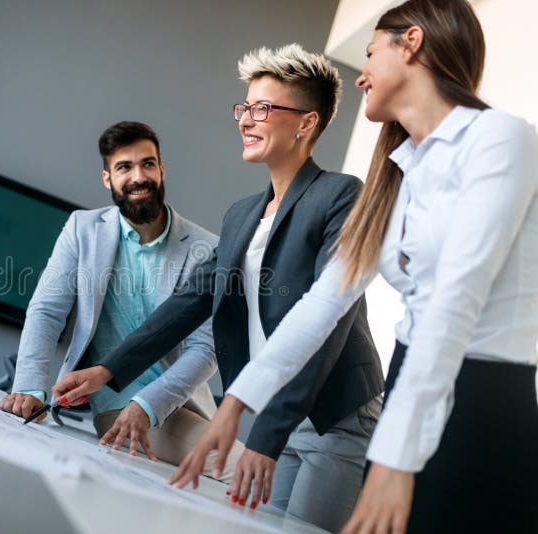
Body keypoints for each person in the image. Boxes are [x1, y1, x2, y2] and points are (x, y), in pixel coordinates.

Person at [138, 1, 538, 533]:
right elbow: (324, 303)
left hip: (480, 403)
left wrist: (396, 460)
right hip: (407, 391)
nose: (362, 74)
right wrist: (235, 404)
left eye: (370, 53)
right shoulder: (400, 173)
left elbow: (454, 304)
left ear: (412, 43)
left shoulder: (501, 139)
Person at [52, 46, 384, 532]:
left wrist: (264, 439)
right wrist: (107, 370)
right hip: (280, 411)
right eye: (244, 107)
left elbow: (327, 325)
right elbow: (191, 302)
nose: (246, 120)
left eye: (262, 109)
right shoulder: (242, 214)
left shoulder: (341, 196)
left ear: (307, 122)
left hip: (337, 413)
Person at [0, 121, 242, 481]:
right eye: (124, 167)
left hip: (174, 402)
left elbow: (205, 349)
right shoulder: (82, 229)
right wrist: (29, 387)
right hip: (113, 405)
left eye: (147, 164)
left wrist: (147, 404)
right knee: (237, 467)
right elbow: (46, 311)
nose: (138, 176)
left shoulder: (206, 248)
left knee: (240, 469)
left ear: (161, 170)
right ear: (107, 178)